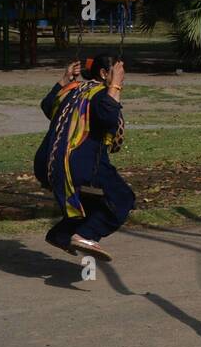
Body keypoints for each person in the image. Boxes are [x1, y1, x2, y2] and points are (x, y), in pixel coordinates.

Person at [34, 51, 134, 262]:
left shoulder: (72, 89)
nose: (122, 76)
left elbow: (47, 105)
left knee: (91, 202)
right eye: (118, 72)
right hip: (75, 164)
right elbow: (109, 118)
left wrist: (65, 79)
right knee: (122, 199)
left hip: (46, 164)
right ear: (104, 73)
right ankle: (86, 236)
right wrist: (115, 86)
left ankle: (61, 235)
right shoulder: (100, 95)